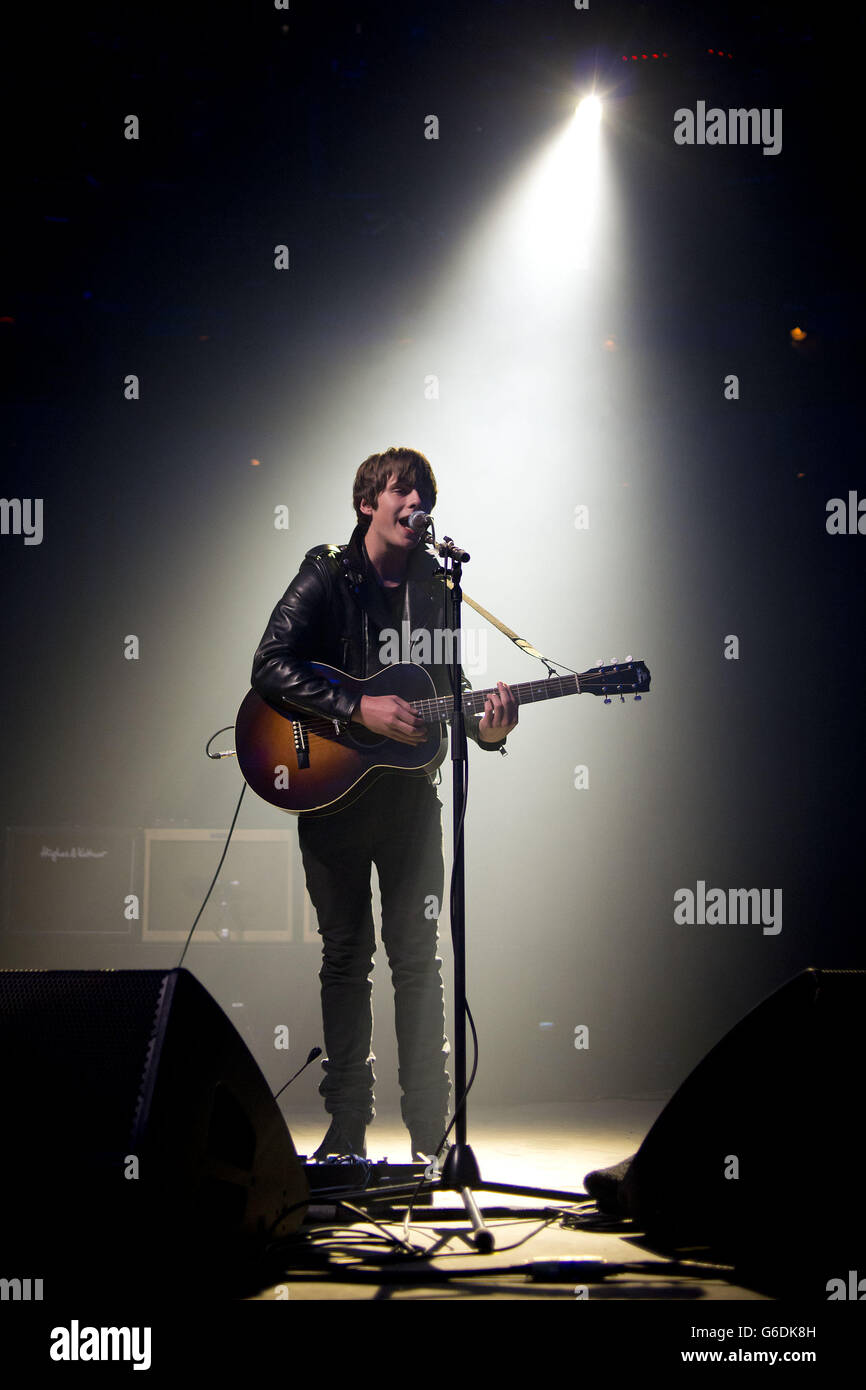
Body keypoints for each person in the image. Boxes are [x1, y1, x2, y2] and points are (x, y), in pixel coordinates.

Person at [251, 447, 518, 1161]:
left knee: (419, 962)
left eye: (424, 493)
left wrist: (486, 730)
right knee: (347, 958)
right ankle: (346, 1130)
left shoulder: (437, 586)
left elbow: (449, 694)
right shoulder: (328, 573)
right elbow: (269, 665)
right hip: (331, 794)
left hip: (408, 803)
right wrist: (355, 707)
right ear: (368, 502)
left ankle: (430, 1132)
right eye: (403, 491)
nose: (416, 503)